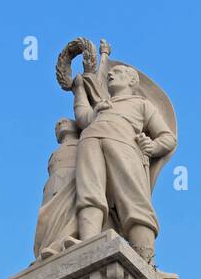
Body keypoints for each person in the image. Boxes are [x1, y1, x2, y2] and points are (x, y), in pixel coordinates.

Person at [72, 63, 176, 263]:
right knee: (89, 193)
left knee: (134, 199)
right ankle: (88, 242)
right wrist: (79, 90)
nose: (111, 73)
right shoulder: (102, 105)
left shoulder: (142, 104)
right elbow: (83, 119)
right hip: (90, 139)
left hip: (124, 143)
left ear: (132, 81)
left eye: (118, 72)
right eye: (111, 71)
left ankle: (146, 259)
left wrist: (153, 146)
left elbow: (168, 137)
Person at [33, 118, 81, 260]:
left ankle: (66, 240)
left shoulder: (82, 143)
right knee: (48, 218)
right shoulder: (54, 153)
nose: (60, 125)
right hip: (52, 186)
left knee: (69, 212)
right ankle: (49, 246)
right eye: (56, 125)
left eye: (65, 121)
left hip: (72, 181)